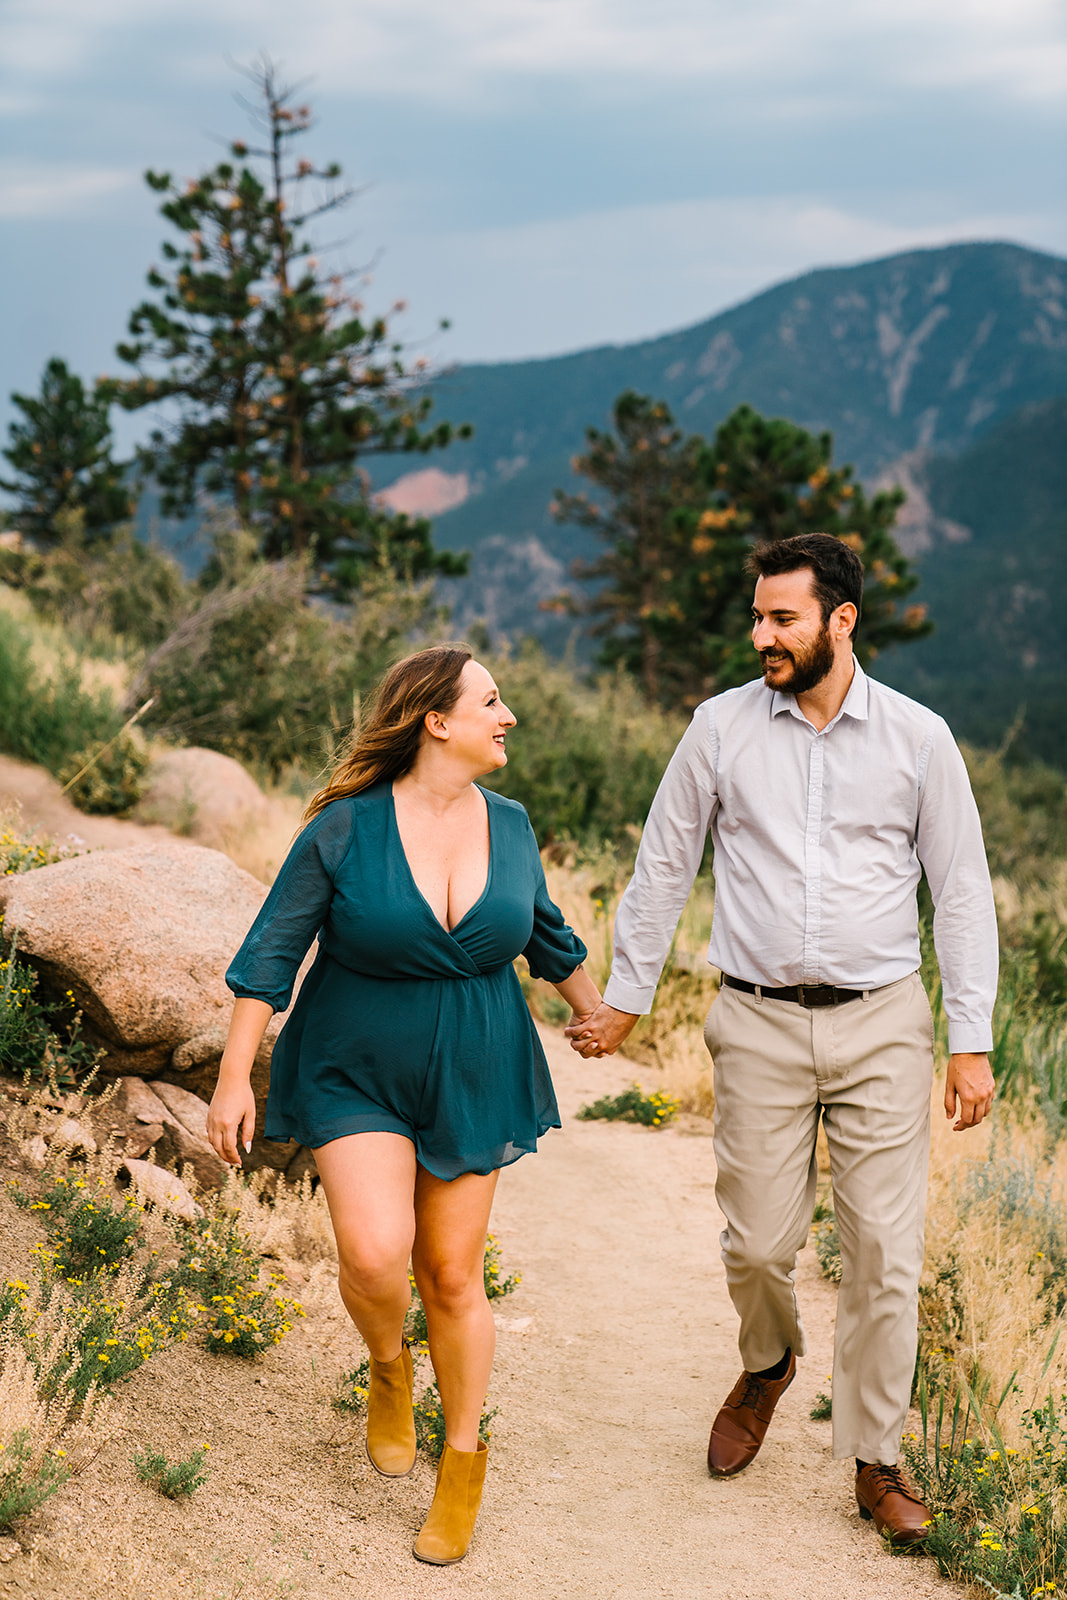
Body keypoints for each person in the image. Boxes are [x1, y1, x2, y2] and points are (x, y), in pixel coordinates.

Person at [567, 533, 997, 1544]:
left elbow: (961, 890)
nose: (759, 634)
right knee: (758, 1246)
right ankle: (767, 1364)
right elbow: (661, 862)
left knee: (885, 1251)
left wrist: (966, 1039)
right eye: (756, 617)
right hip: (753, 1017)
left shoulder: (917, 738)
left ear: (840, 620)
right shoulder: (717, 728)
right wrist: (627, 996)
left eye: (781, 619)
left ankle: (874, 1457)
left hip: (882, 1021)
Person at [206, 644, 600, 1567]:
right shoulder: (343, 830)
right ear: (436, 720)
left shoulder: (510, 822)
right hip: (355, 1067)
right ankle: (389, 1365)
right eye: (491, 702)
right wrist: (233, 1077)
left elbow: (539, 927)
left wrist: (593, 1012)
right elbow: (271, 953)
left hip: (476, 1065)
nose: (507, 718)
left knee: (453, 1276)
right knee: (376, 1255)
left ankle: (460, 1465)